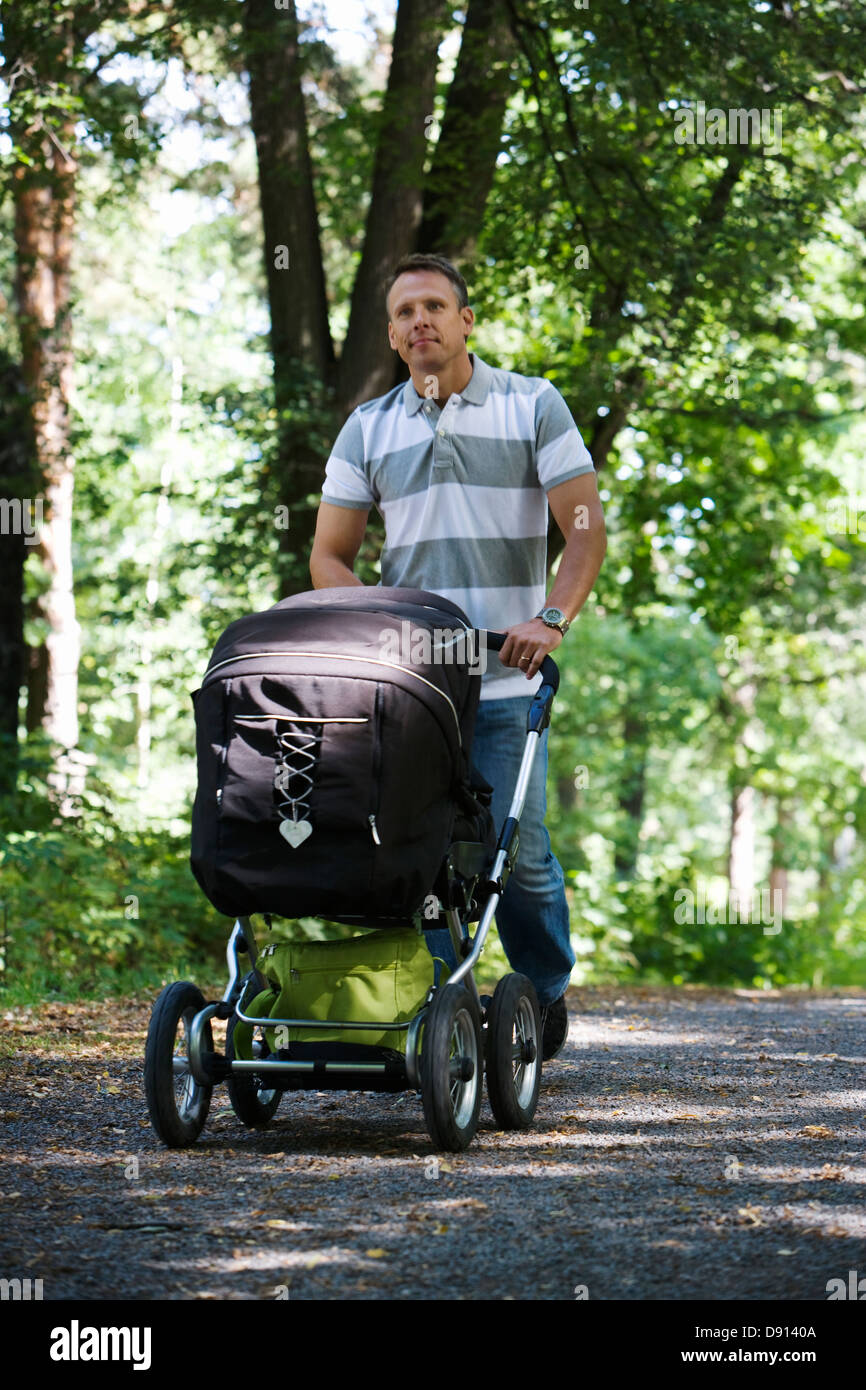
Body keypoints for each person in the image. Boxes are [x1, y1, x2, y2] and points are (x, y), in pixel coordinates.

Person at [310, 253, 607, 1060]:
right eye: (405, 312)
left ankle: (544, 992)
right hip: (412, 690)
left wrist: (551, 618)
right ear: (393, 332)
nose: (420, 322)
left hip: (507, 682)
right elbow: (330, 557)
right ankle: (449, 1017)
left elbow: (584, 531)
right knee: (425, 854)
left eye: (435, 306)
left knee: (525, 859)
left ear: (465, 320)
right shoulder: (368, 427)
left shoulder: (530, 405)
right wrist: (372, 620)